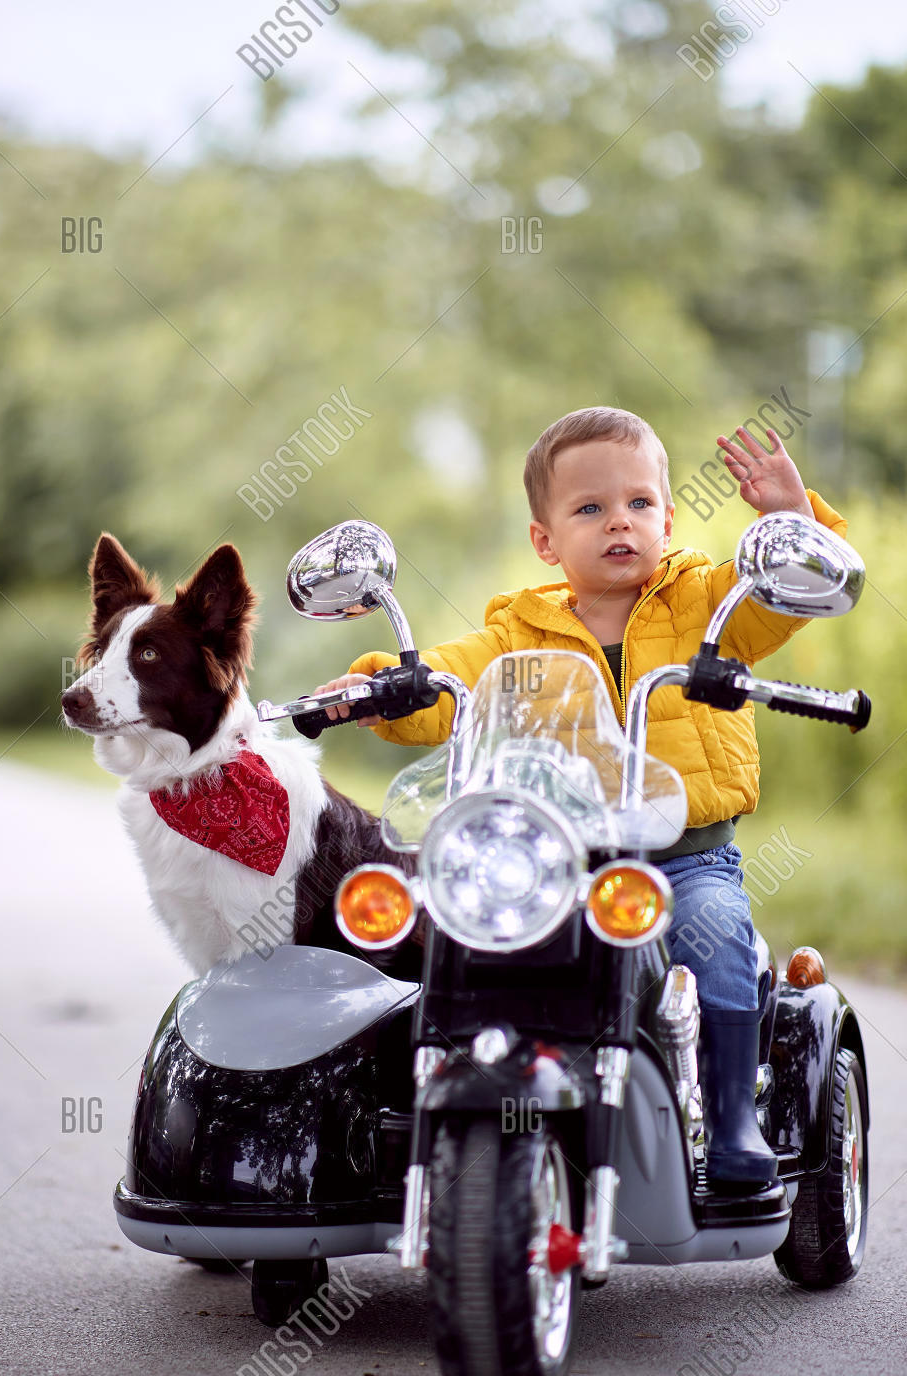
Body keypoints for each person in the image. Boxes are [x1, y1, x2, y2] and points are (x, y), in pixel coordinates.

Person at [312, 407, 848, 1189]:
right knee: (468, 950)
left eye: (638, 504)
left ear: (667, 516)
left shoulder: (708, 603)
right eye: (589, 509)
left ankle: (733, 1117)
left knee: (717, 938)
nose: (618, 524)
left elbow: (787, 595)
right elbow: (446, 684)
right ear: (546, 540)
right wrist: (376, 686)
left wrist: (792, 520)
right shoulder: (518, 632)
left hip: (683, 862)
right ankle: (450, 1108)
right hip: (551, 868)